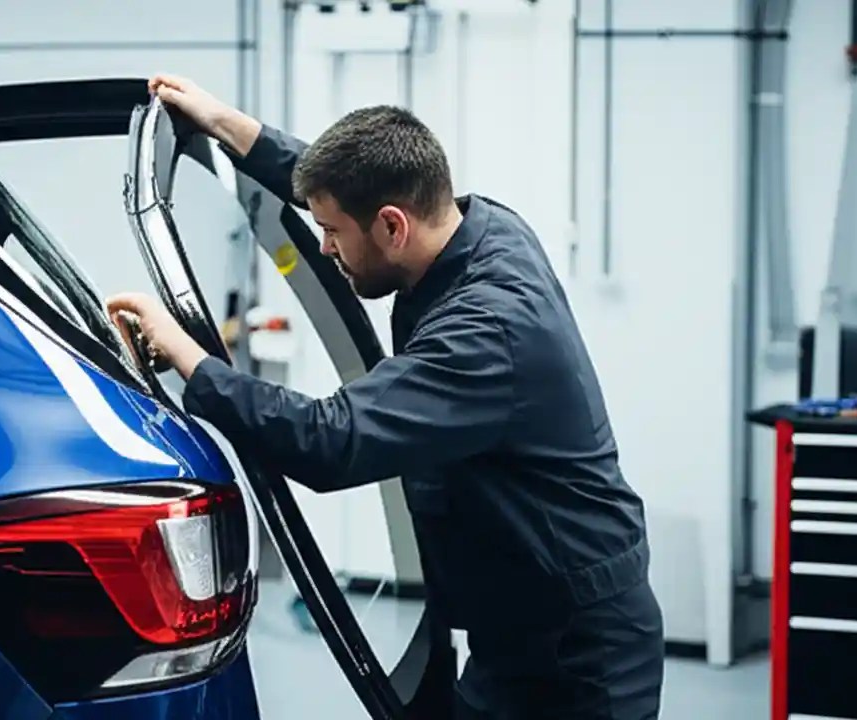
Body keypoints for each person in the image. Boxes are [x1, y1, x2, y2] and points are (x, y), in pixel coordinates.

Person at [108, 73, 664, 719]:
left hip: (576, 656)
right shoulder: (479, 226)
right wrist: (226, 123)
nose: (323, 247)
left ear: (392, 226)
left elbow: (330, 440)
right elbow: (343, 180)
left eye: (332, 232)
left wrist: (188, 357)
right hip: (519, 624)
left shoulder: (487, 332)